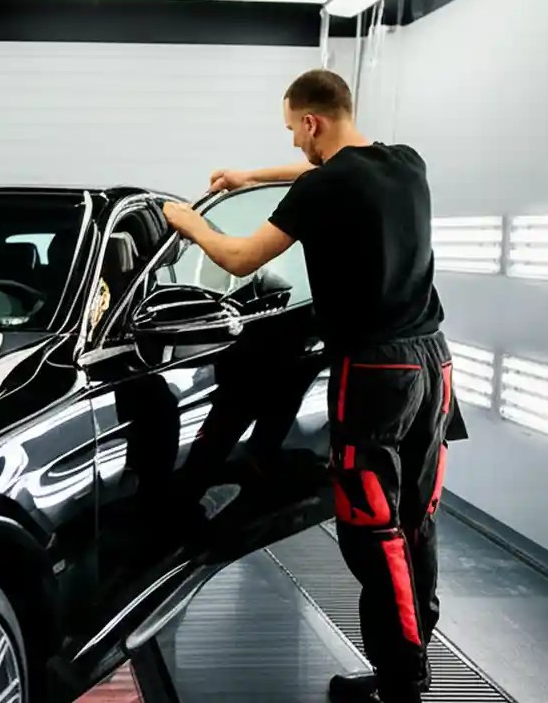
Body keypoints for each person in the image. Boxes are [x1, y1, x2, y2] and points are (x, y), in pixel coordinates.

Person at [162, 69, 467, 703]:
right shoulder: (407, 164)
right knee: (417, 518)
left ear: (311, 123)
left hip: (376, 372)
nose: (296, 148)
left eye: (294, 134)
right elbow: (324, 174)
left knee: (371, 528)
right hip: (435, 364)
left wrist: (188, 222)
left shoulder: (325, 187)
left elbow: (241, 258)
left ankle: (402, 685)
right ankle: (407, 667)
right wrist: (252, 177)